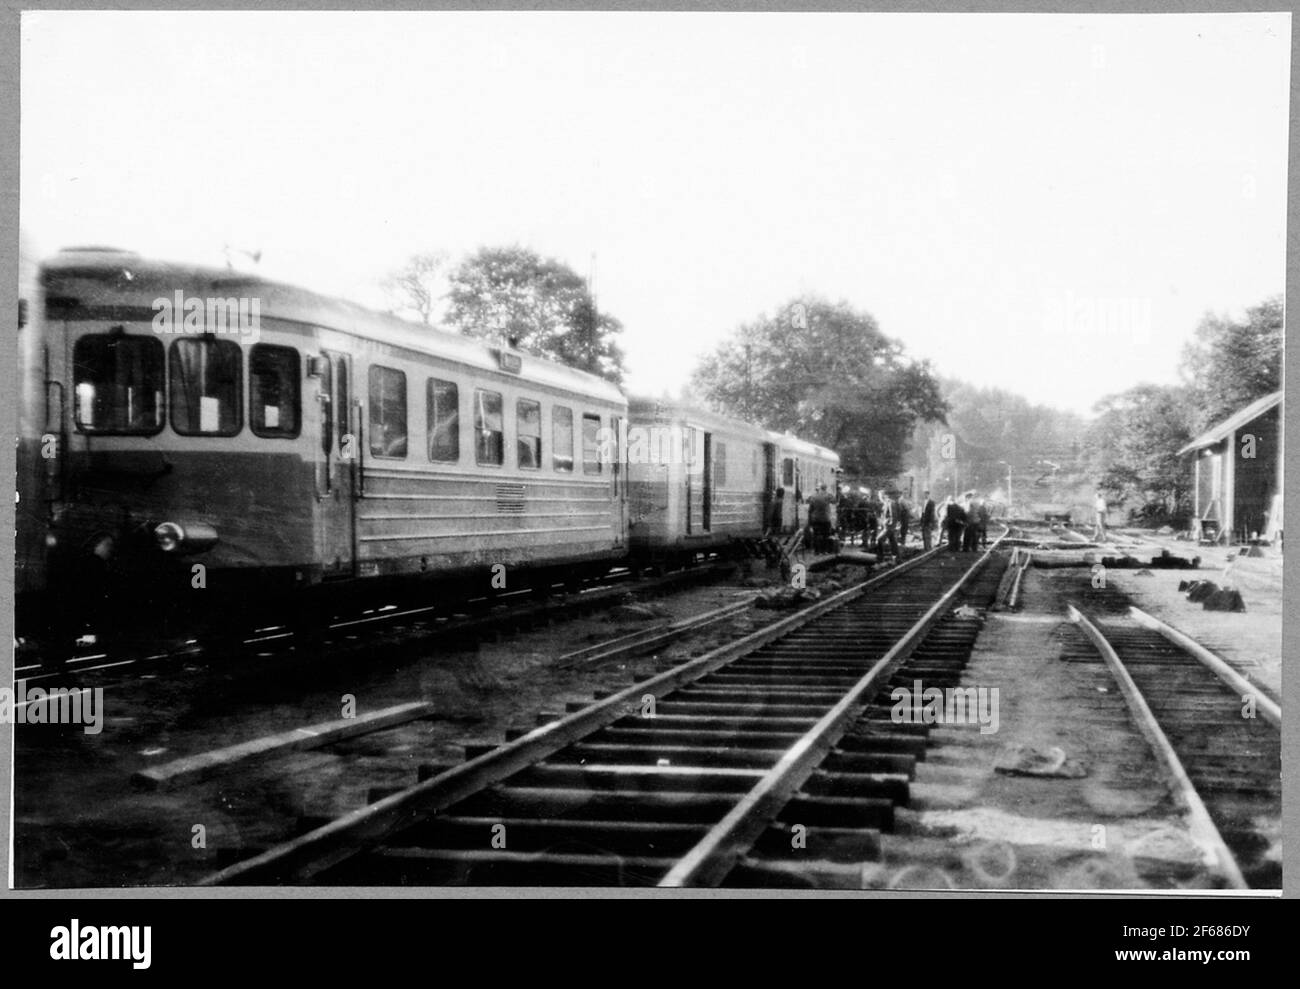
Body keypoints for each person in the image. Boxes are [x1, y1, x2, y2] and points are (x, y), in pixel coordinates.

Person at [807, 483, 834, 552]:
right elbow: (834, 501)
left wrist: (809, 521)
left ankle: (816, 550)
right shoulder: (828, 495)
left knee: (816, 535)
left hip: (816, 519)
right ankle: (824, 550)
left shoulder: (813, 496)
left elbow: (810, 510)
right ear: (826, 488)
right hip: (825, 518)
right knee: (826, 535)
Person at [877, 489, 900, 560]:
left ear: (883, 496)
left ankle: (881, 557)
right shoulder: (886, 503)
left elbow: (893, 515)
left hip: (889, 527)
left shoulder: (890, 503)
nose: (879, 498)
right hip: (887, 526)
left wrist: (891, 524)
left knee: (879, 539)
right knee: (893, 541)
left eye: (880, 496)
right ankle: (896, 556)